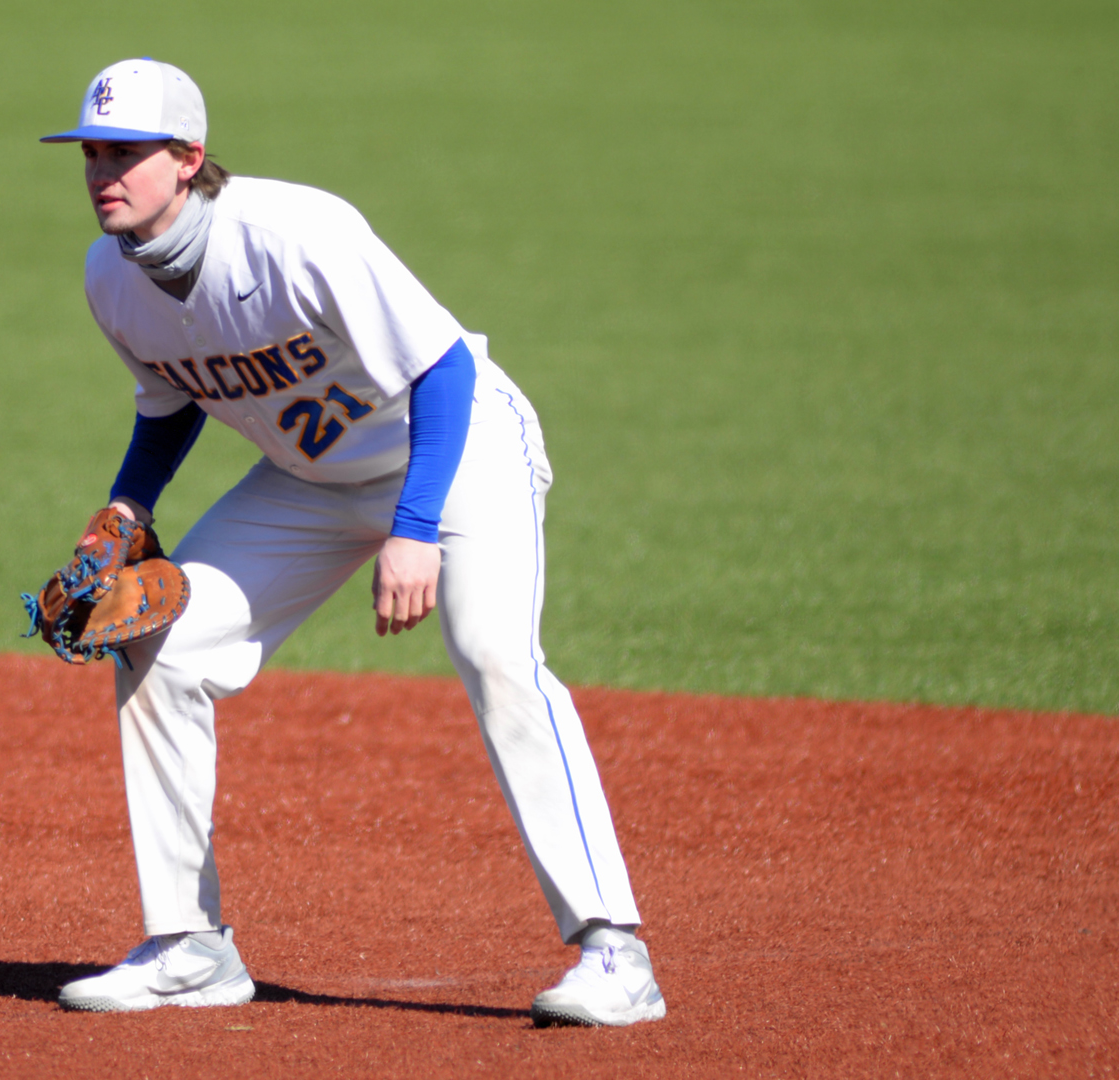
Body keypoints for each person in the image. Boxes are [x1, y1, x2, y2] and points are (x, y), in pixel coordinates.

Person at [38, 58, 665, 1027]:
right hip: (309, 476)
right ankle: (189, 947)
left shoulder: (296, 232)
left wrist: (415, 531)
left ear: (189, 157)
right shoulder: (108, 277)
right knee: (157, 644)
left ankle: (614, 949)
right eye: (90, 152)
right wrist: (124, 510)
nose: (101, 171)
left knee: (496, 654)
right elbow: (169, 405)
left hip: (453, 452)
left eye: (126, 151)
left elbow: (443, 367)